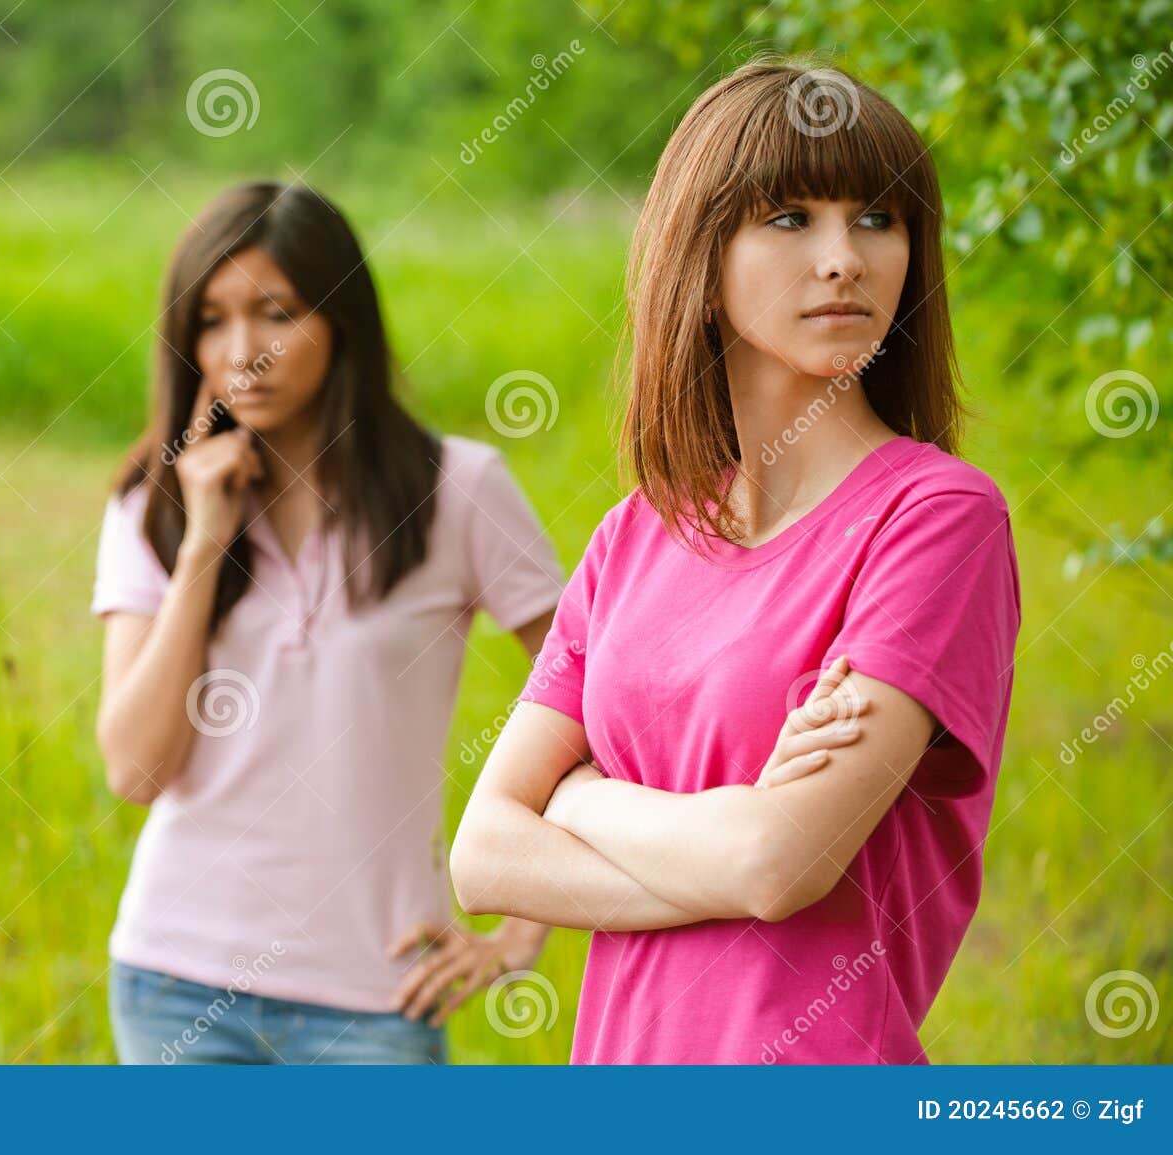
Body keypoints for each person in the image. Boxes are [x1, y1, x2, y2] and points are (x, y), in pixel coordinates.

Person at [450, 60, 1022, 1065]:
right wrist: (724, 827)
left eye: (877, 217)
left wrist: (579, 799)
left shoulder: (936, 520)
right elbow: (485, 853)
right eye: (790, 217)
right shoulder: (635, 536)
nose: (844, 257)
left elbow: (776, 862)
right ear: (697, 264)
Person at [91, 180, 568, 1064]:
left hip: (377, 997)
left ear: (340, 317)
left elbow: (598, 699)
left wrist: (521, 930)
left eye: (277, 313)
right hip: (172, 983)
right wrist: (203, 544)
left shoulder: (459, 491)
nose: (243, 352)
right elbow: (134, 768)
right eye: (212, 320)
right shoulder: (150, 507)